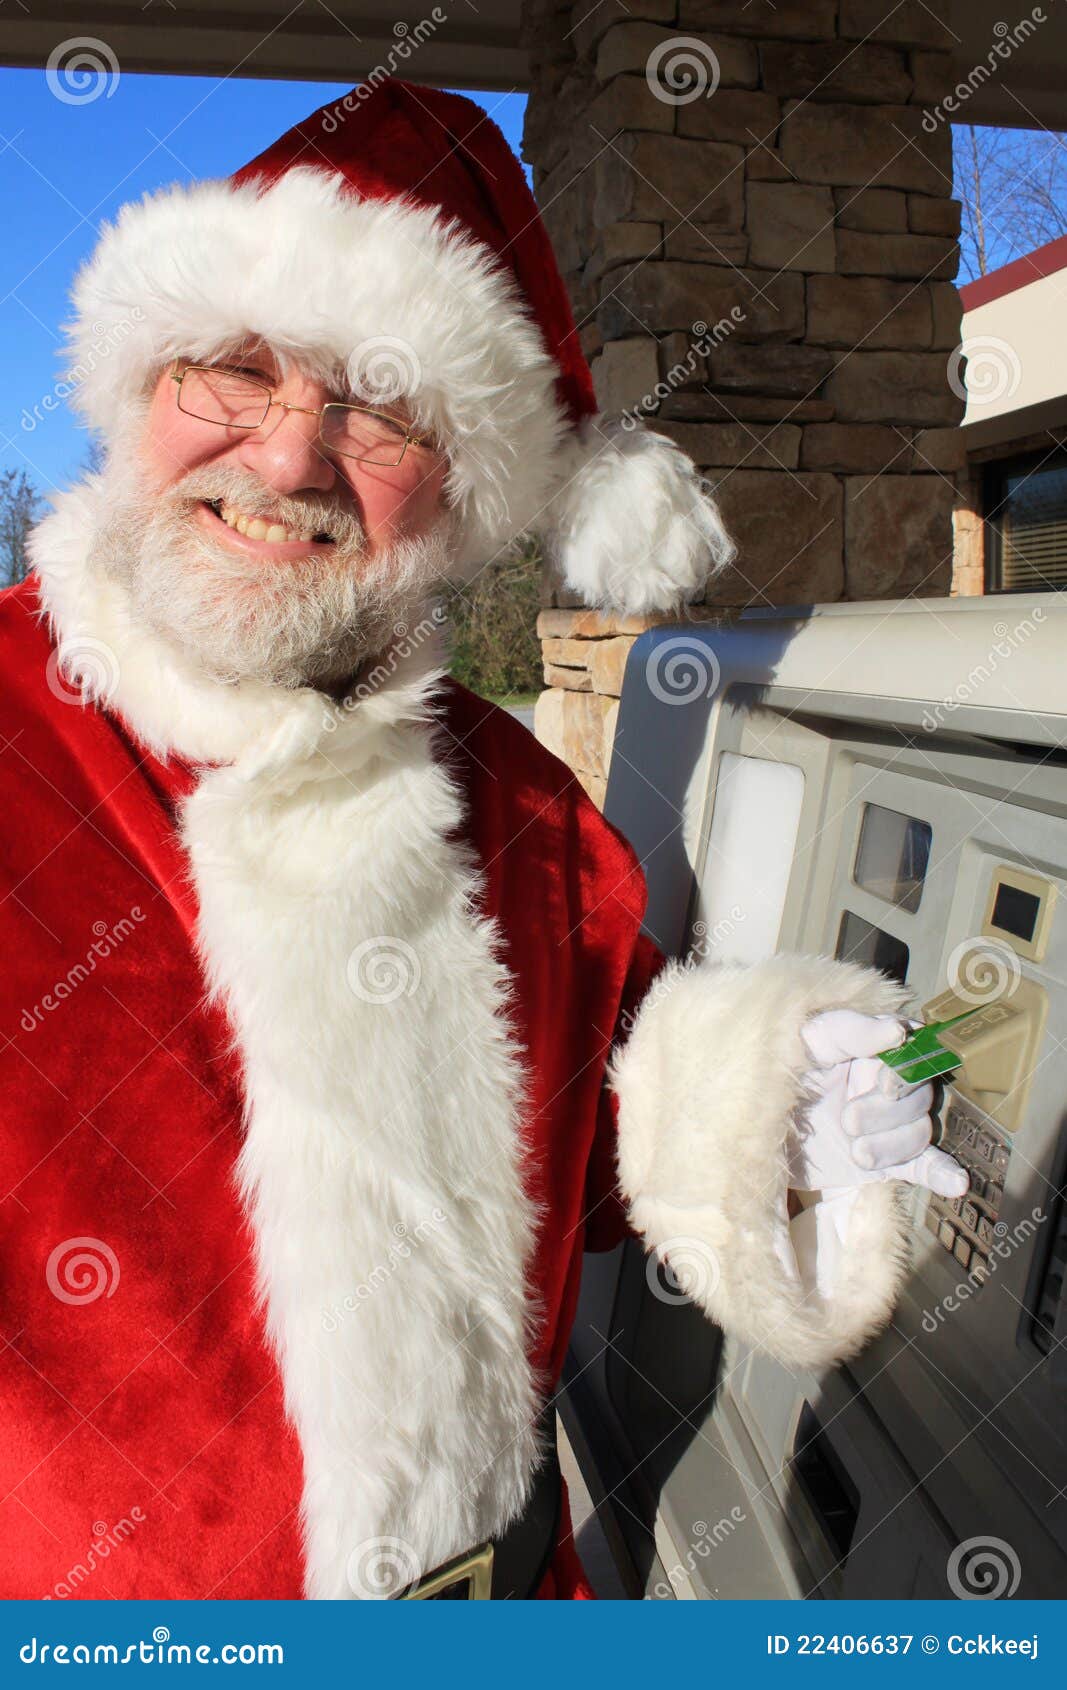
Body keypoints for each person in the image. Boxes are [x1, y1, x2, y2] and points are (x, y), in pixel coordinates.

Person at [0, 78, 965, 1601]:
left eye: (382, 409)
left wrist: (772, 1106)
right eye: (235, 369)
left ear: (460, 491)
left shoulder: (524, 812)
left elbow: (607, 1120)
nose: (292, 459)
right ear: (137, 383)